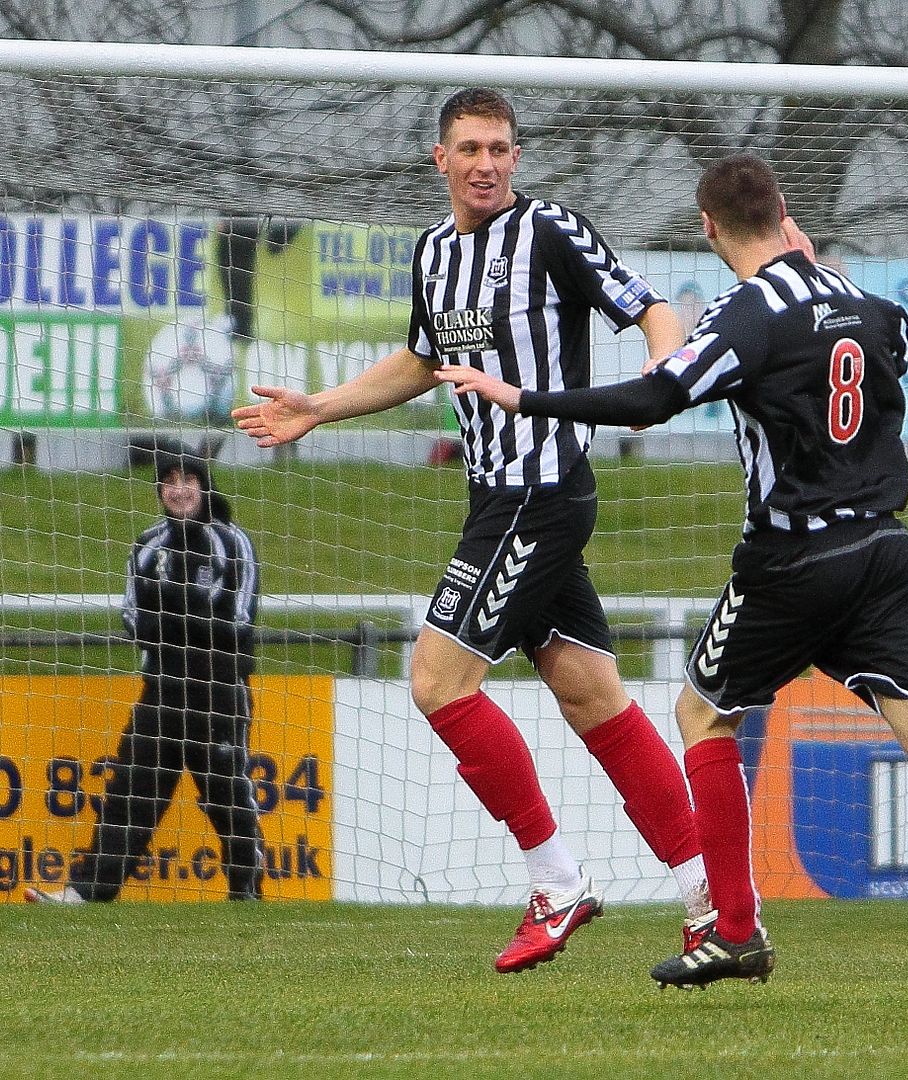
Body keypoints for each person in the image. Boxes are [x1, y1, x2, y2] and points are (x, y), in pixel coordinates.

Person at [437, 152, 908, 987]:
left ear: (708, 228)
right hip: (885, 550)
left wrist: (526, 399)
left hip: (793, 556)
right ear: (784, 212)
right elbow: (897, 347)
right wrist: (817, 277)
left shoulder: (747, 316)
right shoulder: (862, 300)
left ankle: (734, 929)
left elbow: (655, 400)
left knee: (703, 716)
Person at [234, 87, 710, 972]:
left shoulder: (551, 231)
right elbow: (423, 361)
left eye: (500, 148)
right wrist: (319, 409)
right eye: (470, 148)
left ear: (516, 158)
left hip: (540, 493)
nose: (486, 163)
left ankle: (557, 883)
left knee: (437, 682)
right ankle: (708, 900)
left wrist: (663, 372)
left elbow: (650, 308)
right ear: (440, 160)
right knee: (591, 694)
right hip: (496, 497)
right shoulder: (433, 254)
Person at [25, 451, 264, 903]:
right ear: (160, 492)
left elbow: (235, 621)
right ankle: (86, 892)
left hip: (218, 689)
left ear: (204, 485)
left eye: (188, 480)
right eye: (169, 482)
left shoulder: (232, 542)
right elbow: (135, 619)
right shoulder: (148, 544)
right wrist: (180, 614)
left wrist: (172, 604)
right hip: (162, 689)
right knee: (130, 792)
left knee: (225, 793)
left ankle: (246, 893)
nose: (179, 489)